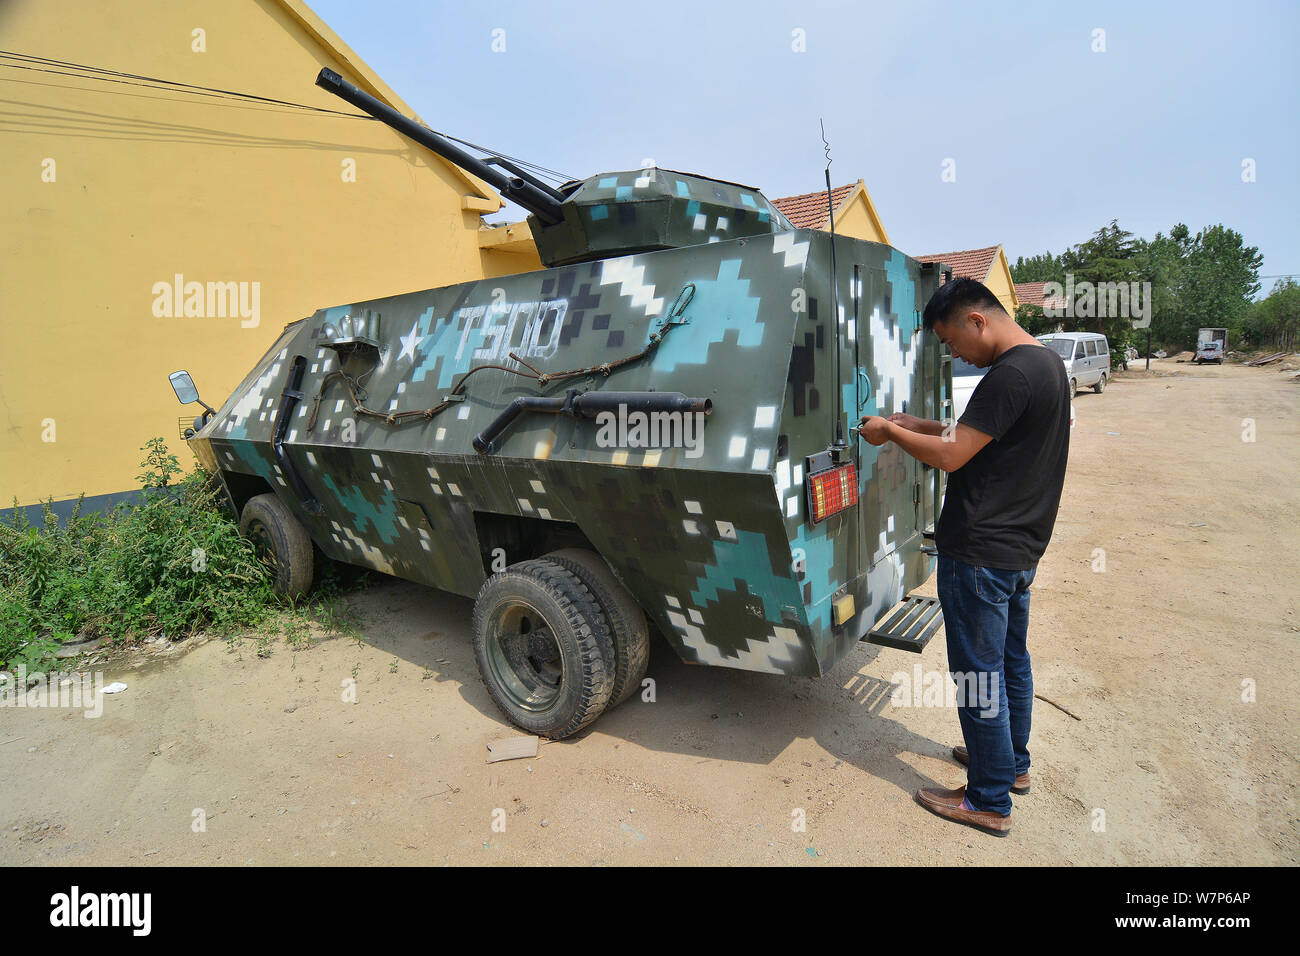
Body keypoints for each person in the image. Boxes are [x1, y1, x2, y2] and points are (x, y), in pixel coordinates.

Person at [857, 277, 1070, 837]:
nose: (954, 355)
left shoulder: (1009, 374)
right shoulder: (1044, 364)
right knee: (1009, 663)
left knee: (978, 675)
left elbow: (953, 456)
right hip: (1018, 551)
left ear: (978, 321)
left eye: (952, 342)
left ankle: (988, 799)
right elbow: (976, 436)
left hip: (980, 553)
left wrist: (887, 433)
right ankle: (1010, 767)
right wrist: (914, 424)